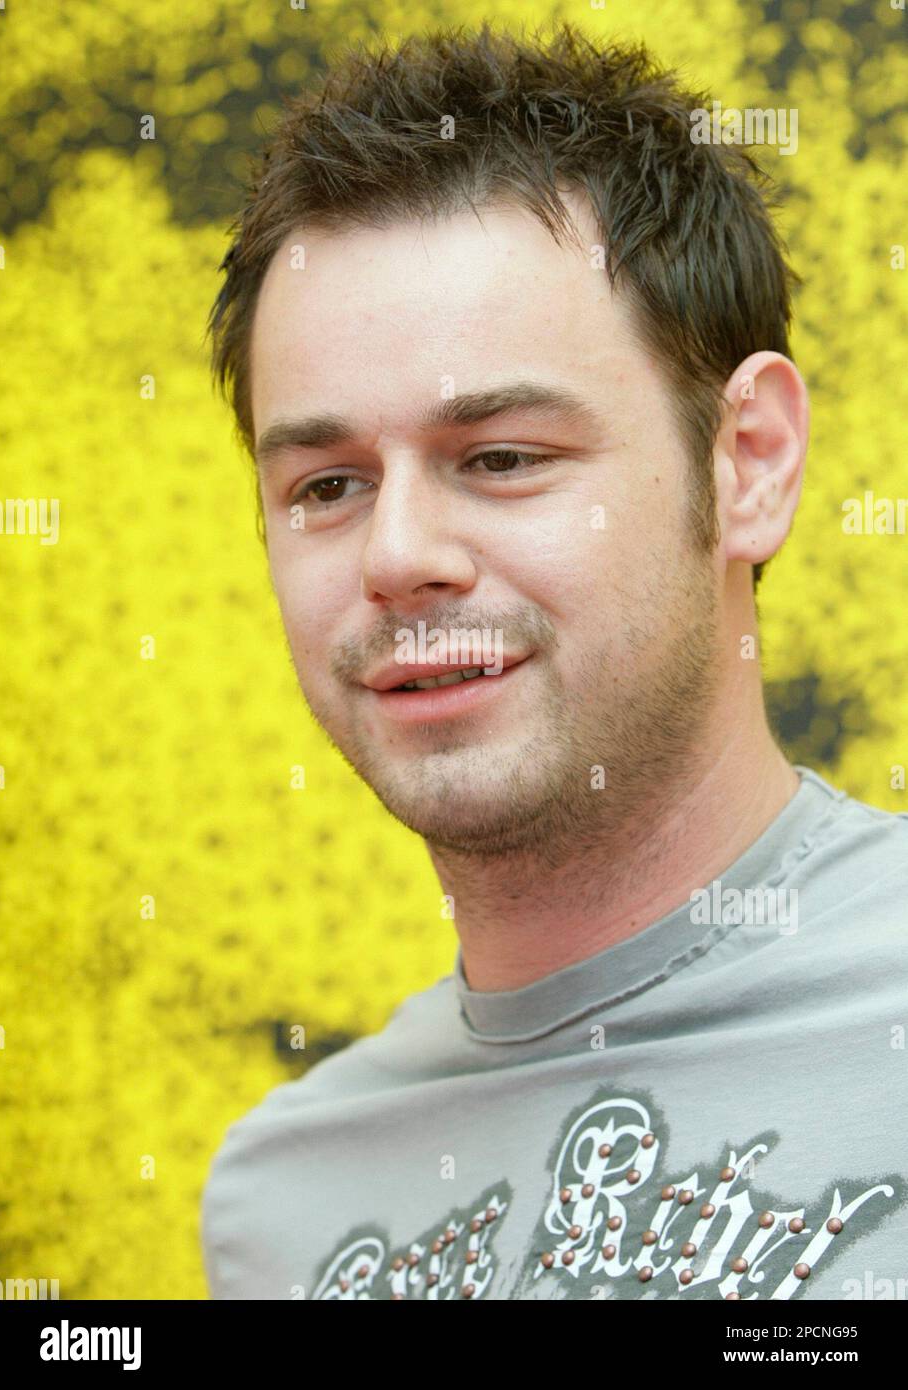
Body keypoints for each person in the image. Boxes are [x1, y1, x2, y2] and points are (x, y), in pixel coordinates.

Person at [200, 22, 908, 1301]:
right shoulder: (278, 1202)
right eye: (328, 484)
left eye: (503, 457)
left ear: (748, 461)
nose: (398, 553)